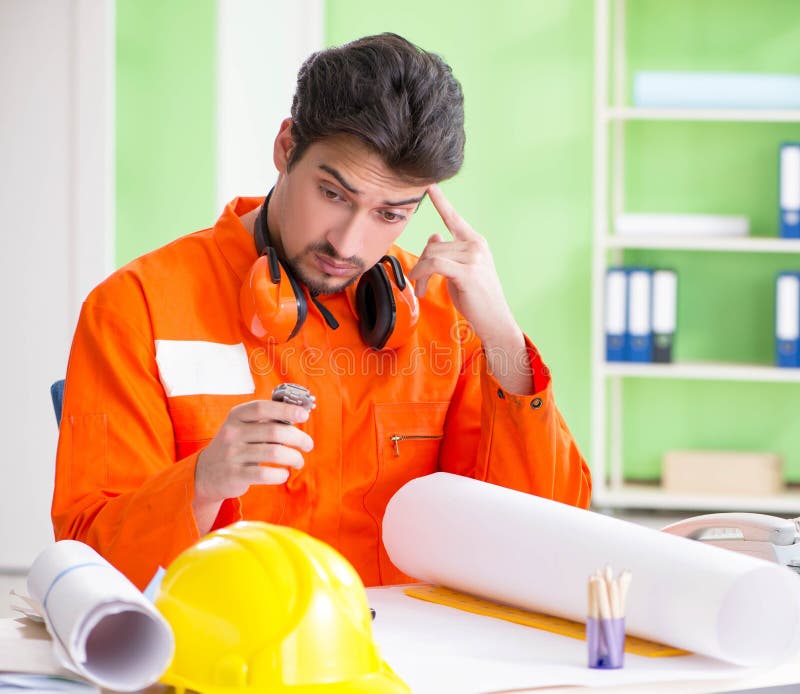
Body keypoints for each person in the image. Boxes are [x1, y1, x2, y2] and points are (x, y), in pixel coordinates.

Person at [52, 33, 591, 590]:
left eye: (390, 213)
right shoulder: (135, 308)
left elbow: (548, 540)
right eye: (333, 194)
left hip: (407, 661)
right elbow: (87, 564)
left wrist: (501, 335)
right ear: (286, 147)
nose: (349, 245)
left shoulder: (444, 312)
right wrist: (202, 483)